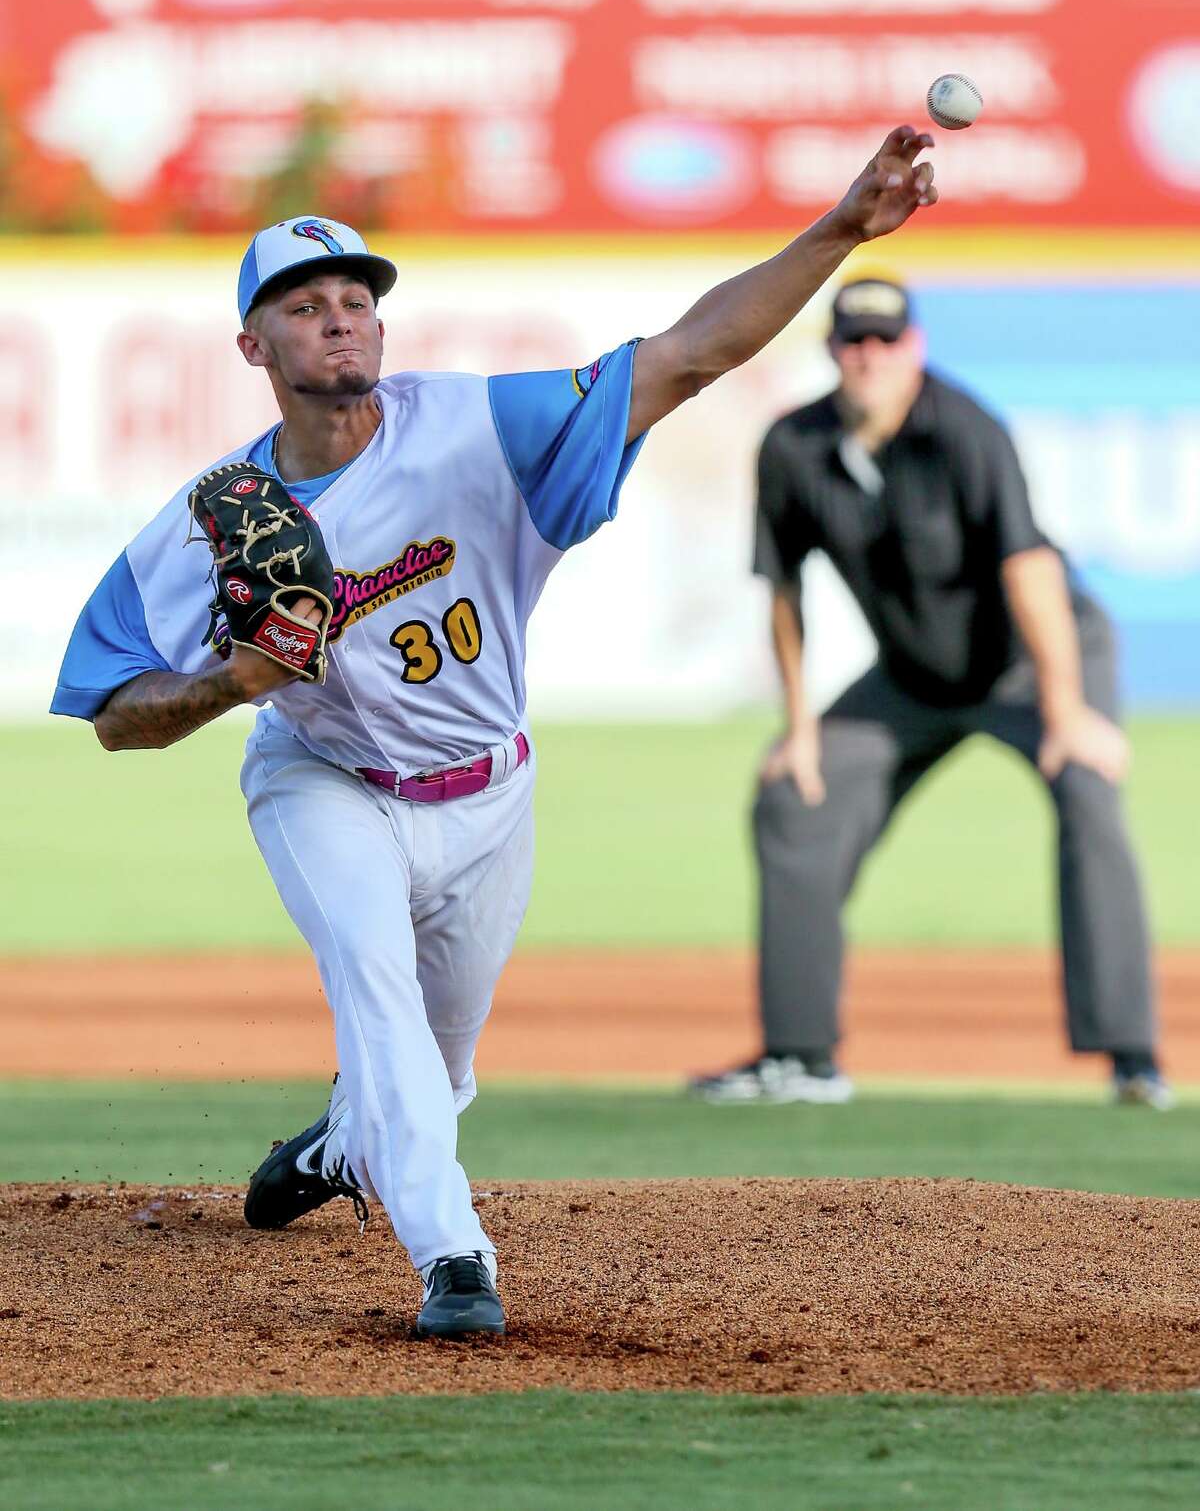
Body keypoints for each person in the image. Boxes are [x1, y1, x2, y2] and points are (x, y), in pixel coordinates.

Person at [52, 130, 939, 1338]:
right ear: (254, 347)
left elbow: (687, 357)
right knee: (379, 1003)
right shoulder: (213, 520)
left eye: (357, 299)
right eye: (305, 306)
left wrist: (840, 230)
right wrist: (234, 680)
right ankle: (453, 1258)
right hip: (328, 780)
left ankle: (350, 1143)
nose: (340, 321)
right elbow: (112, 715)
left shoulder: (479, 428)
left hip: (489, 795)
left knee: (439, 1069)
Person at [691, 277, 1169, 1112]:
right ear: (833, 351)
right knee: (794, 799)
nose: (868, 357)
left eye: (885, 341)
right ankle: (802, 1056)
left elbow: (1031, 568)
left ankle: (1132, 1056)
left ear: (913, 347)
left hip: (1033, 653)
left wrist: (1065, 708)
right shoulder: (794, 448)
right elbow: (782, 593)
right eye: (853, 342)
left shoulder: (965, 429)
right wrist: (798, 728)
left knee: (1089, 782)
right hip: (913, 675)